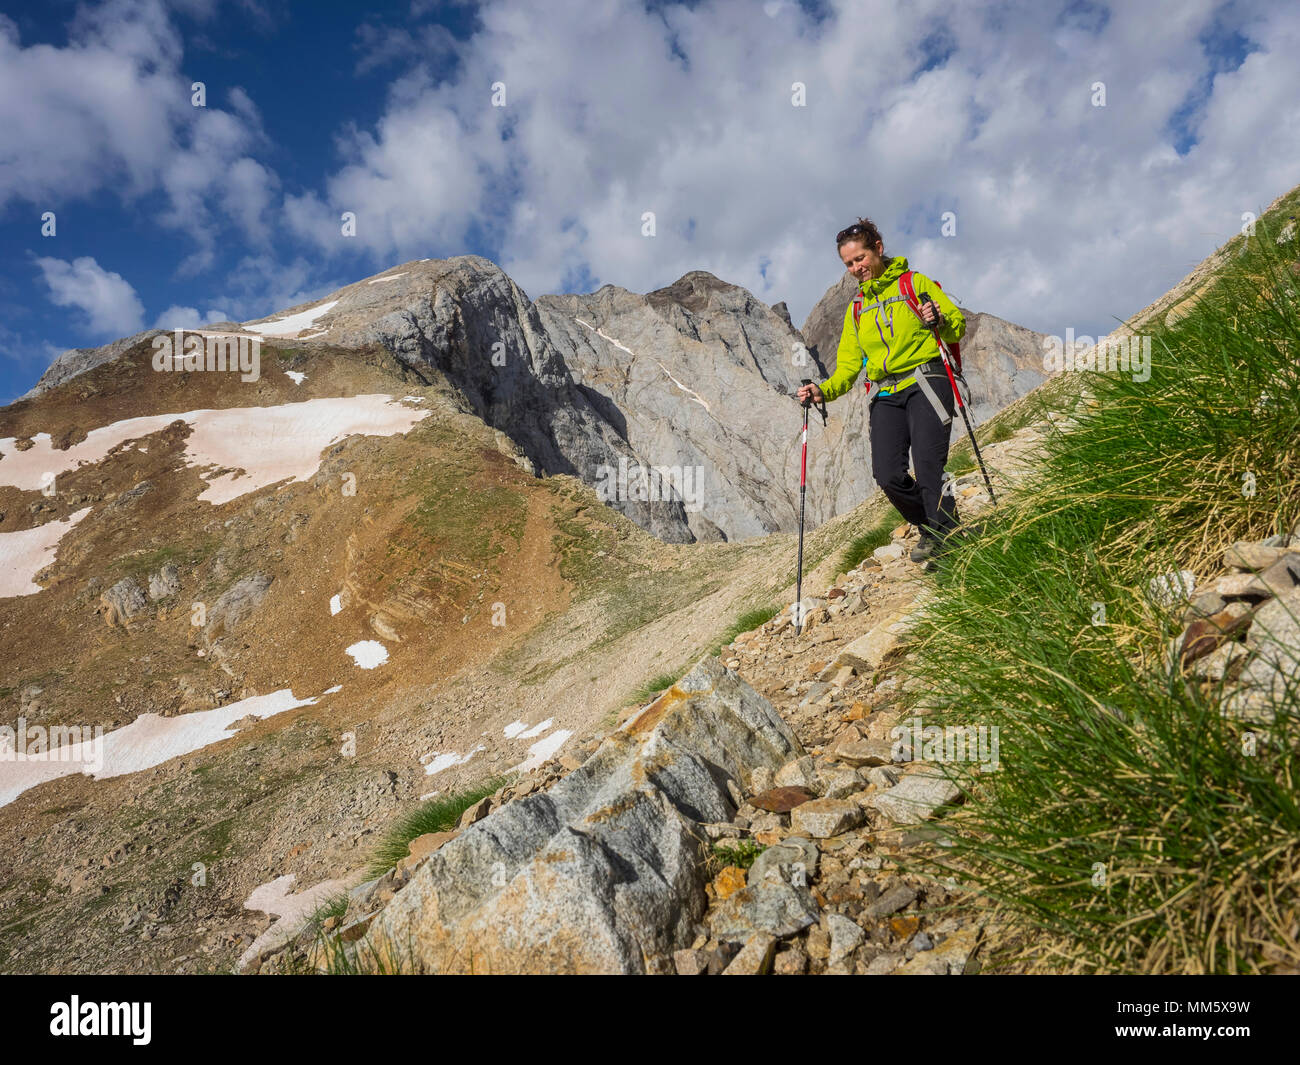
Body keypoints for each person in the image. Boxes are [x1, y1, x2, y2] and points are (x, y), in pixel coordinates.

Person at [797, 217, 966, 562]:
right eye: (848, 264)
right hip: (887, 394)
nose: (856, 268)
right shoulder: (857, 309)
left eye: (860, 258)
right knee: (887, 474)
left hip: (926, 381)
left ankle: (947, 540)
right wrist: (821, 391)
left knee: (928, 464)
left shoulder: (913, 283)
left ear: (878, 249)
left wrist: (939, 318)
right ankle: (934, 524)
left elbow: (956, 328)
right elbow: (847, 367)